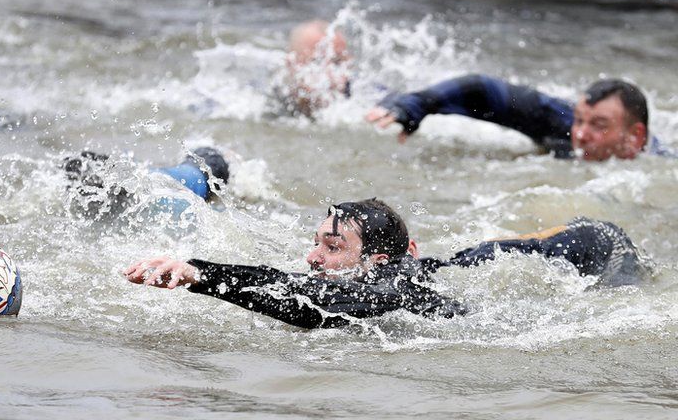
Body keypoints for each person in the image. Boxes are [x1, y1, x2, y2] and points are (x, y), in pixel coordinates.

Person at [125, 199, 650, 329]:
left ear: (376, 261)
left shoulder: (387, 288)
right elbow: (286, 282)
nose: (313, 257)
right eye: (315, 243)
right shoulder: (367, 272)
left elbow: (316, 308)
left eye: (332, 248)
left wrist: (203, 276)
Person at [365, 74, 670, 161]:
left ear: (636, 137)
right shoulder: (560, 122)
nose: (580, 134)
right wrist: (412, 108)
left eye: (599, 126)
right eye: (580, 120)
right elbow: (481, 88)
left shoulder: (661, 166)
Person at [63, 147, 230, 220]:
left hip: (210, 165)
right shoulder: (133, 180)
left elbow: (212, 213)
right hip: (184, 167)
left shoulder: (154, 195)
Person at [280, 20, 351, 116]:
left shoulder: (365, 96)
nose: (330, 77)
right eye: (317, 63)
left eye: (337, 64)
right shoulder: (268, 105)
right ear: (291, 65)